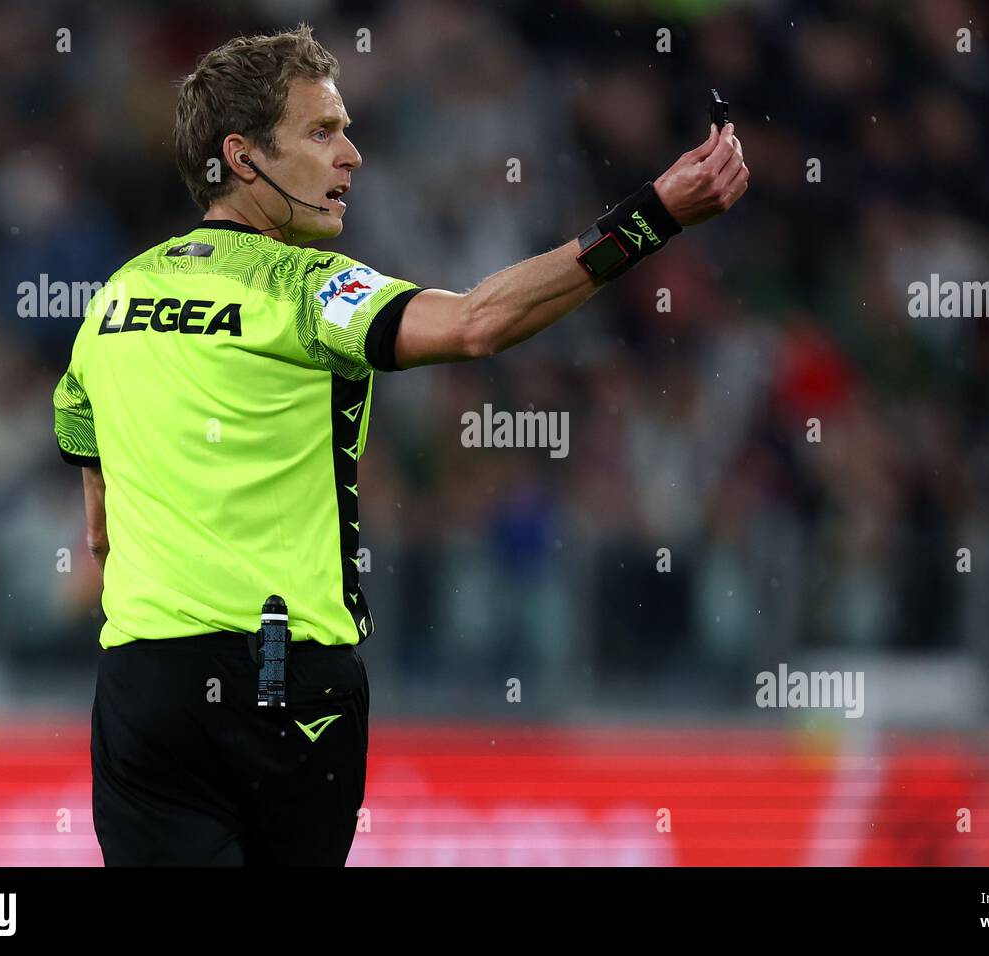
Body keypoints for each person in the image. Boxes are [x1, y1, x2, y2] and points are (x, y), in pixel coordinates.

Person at [52, 23, 748, 866]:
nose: (351, 156)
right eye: (321, 132)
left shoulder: (115, 298)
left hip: (140, 692)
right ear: (243, 156)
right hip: (283, 688)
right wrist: (652, 217)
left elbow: (98, 525)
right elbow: (479, 321)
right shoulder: (305, 287)